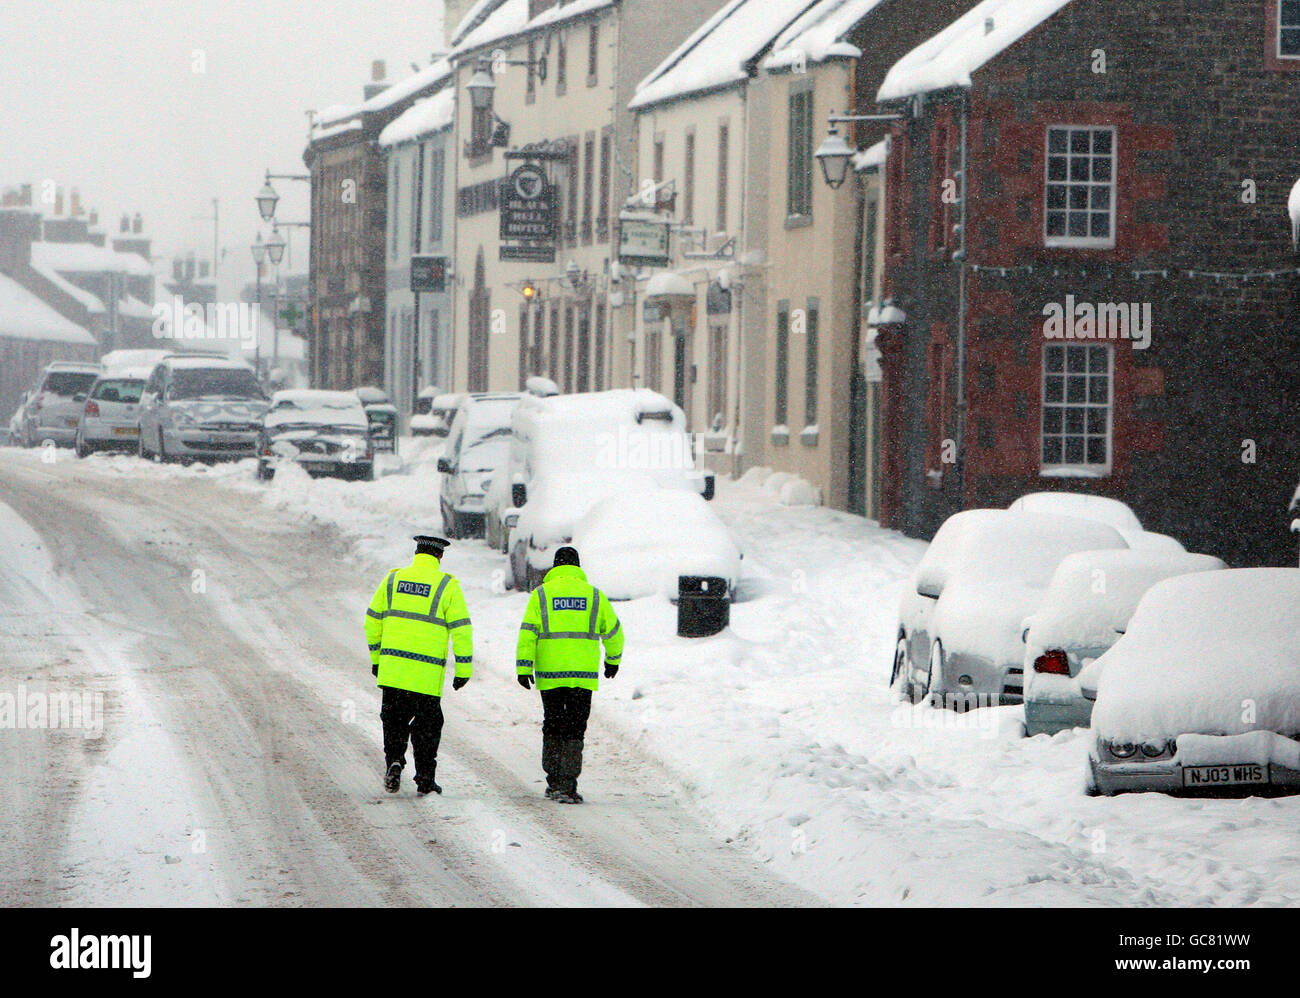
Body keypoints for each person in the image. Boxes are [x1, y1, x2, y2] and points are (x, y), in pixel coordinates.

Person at [365, 534, 473, 796]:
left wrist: (377, 659)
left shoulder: (393, 579)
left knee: (394, 721)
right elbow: (461, 630)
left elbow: (372, 621)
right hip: (426, 676)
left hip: (393, 673)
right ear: (440, 556)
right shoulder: (447, 585)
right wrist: (464, 670)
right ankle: (425, 778)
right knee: (427, 728)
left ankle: (394, 760)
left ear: (416, 553)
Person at [515, 546, 623, 804]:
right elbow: (614, 633)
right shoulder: (594, 596)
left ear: (555, 566)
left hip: (550, 675)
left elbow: (528, 633)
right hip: (581, 677)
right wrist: (612, 661)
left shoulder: (541, 595)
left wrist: (523, 667)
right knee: (575, 728)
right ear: (578, 566)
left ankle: (553, 781)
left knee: (553, 724)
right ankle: (569, 783)